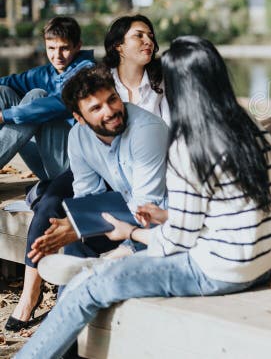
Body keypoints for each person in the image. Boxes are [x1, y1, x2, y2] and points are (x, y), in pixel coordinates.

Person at [18, 37, 271, 359]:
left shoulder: (189, 147)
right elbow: (235, 211)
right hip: (262, 260)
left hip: (216, 270)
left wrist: (129, 236)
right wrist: (161, 219)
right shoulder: (254, 130)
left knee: (85, 286)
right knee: (86, 271)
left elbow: (177, 244)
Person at [1, 16, 94, 331]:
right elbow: (10, 84)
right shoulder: (44, 72)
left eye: (65, 48)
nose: (58, 55)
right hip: (46, 163)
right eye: (51, 48)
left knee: (37, 100)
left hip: (69, 166)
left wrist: (5, 115)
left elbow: (57, 104)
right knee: (7, 91)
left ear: (77, 47)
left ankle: (32, 296)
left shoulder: (86, 72)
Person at [26, 65, 169, 266]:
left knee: (84, 241)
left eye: (112, 99)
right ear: (79, 118)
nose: (110, 111)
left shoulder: (146, 130)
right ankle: (68, 294)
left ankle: (94, 277)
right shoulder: (78, 136)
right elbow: (88, 195)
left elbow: (147, 204)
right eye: (96, 108)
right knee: (75, 245)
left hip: (166, 222)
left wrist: (80, 224)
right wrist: (79, 224)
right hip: (126, 219)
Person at [103, 14, 169, 122]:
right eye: (139, 35)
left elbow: (171, 129)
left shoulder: (162, 81)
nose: (149, 42)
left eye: (151, 37)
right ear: (118, 45)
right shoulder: (101, 83)